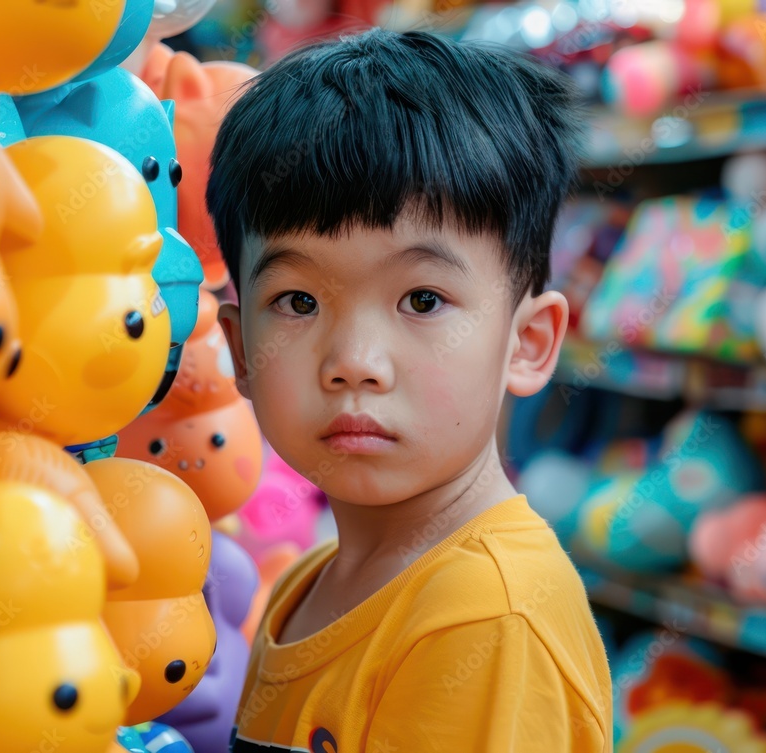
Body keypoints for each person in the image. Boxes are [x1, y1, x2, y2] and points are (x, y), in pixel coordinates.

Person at [208, 27, 612, 752]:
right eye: (299, 301)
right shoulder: (315, 581)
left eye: (422, 300)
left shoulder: (486, 617)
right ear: (239, 347)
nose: (355, 362)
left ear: (528, 343)